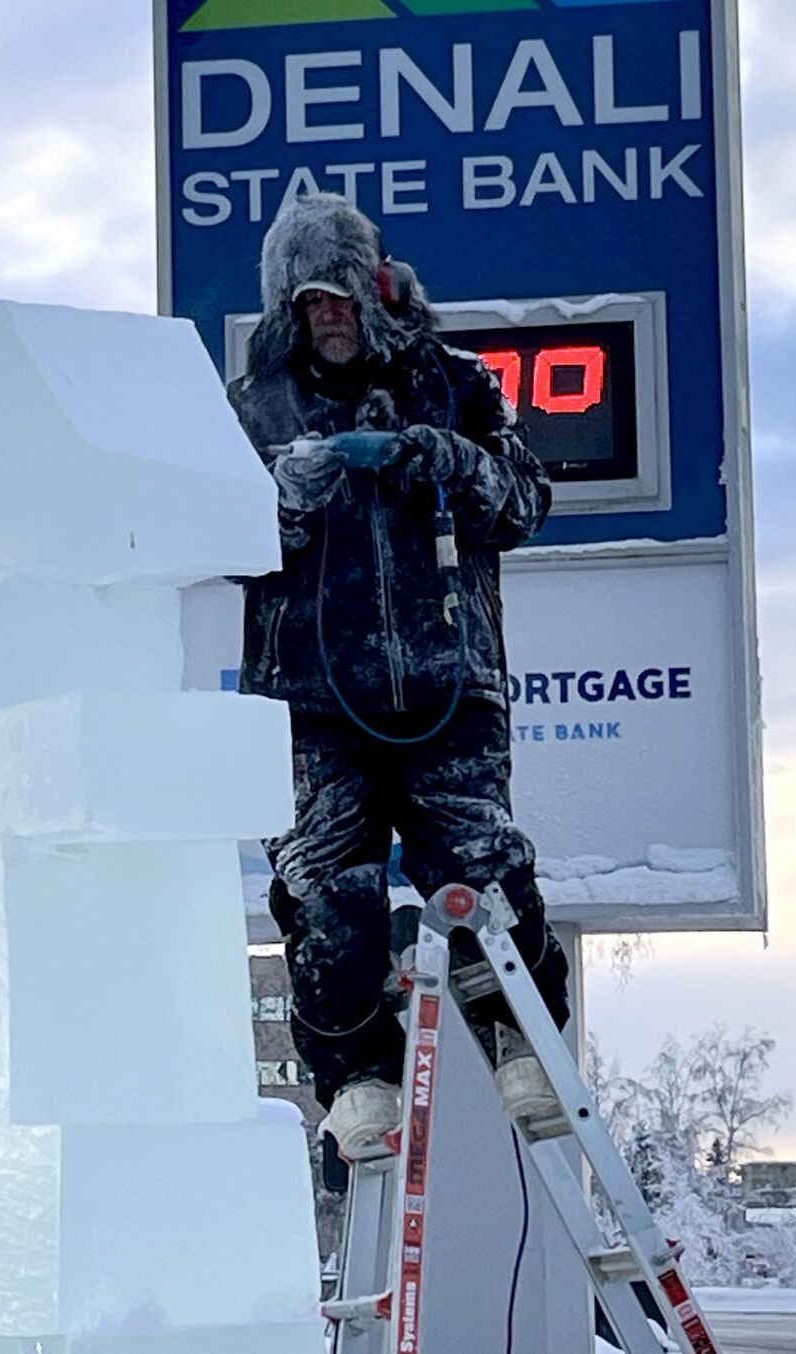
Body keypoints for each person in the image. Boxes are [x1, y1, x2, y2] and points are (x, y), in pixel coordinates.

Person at [228, 193, 572, 1153]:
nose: (325, 315)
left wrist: (444, 460)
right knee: (324, 887)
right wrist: (276, 502)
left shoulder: (457, 385)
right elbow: (212, 542)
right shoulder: (249, 409)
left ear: (375, 291)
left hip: (446, 682)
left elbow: (525, 502)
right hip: (308, 697)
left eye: (338, 295)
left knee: (480, 866)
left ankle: (520, 1041)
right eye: (306, 301)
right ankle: (357, 1081)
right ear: (284, 309)